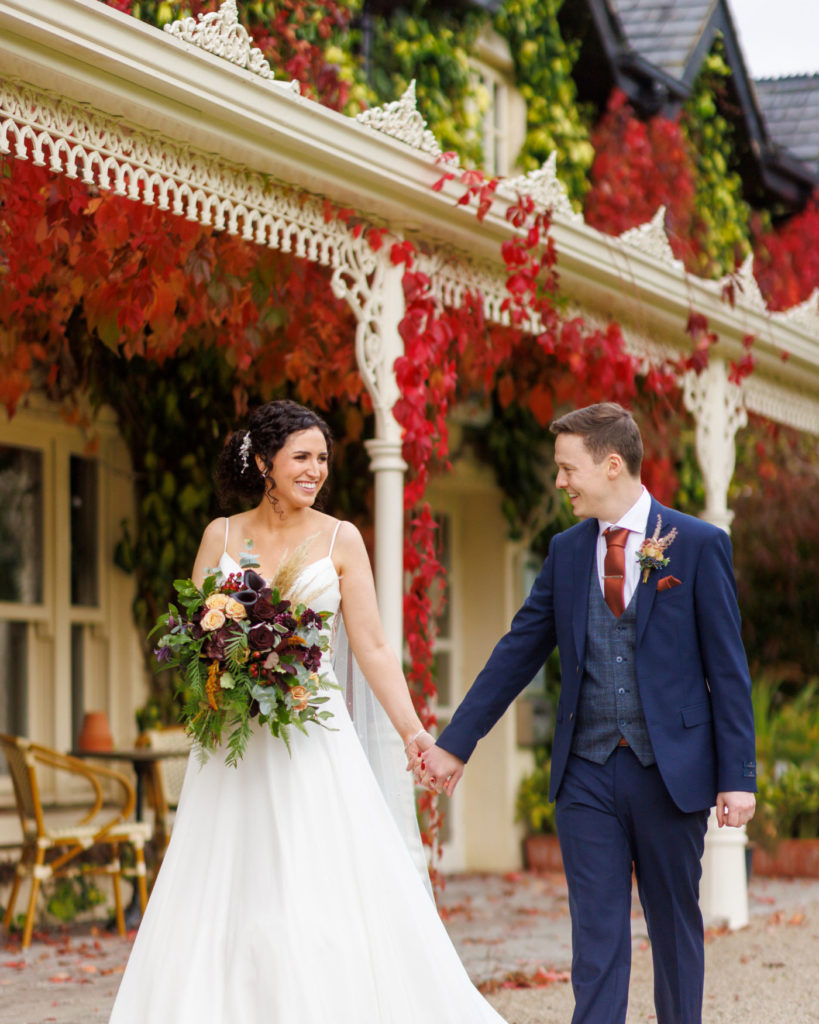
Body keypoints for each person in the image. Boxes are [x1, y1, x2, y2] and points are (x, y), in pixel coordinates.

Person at [108, 399, 507, 1024]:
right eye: (301, 457)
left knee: (313, 878)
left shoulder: (341, 538)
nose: (315, 470)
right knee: (225, 880)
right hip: (233, 740)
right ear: (264, 461)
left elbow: (373, 646)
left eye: (322, 459)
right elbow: (193, 631)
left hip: (313, 736)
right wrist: (223, 668)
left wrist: (412, 732)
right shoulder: (222, 534)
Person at [415, 402, 757, 1024]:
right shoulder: (567, 553)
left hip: (670, 773)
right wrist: (454, 743)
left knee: (675, 927)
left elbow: (727, 668)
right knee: (596, 938)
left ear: (612, 464)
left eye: (568, 468)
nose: (559, 481)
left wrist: (738, 775)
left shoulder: (700, 546)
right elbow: (517, 652)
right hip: (586, 774)